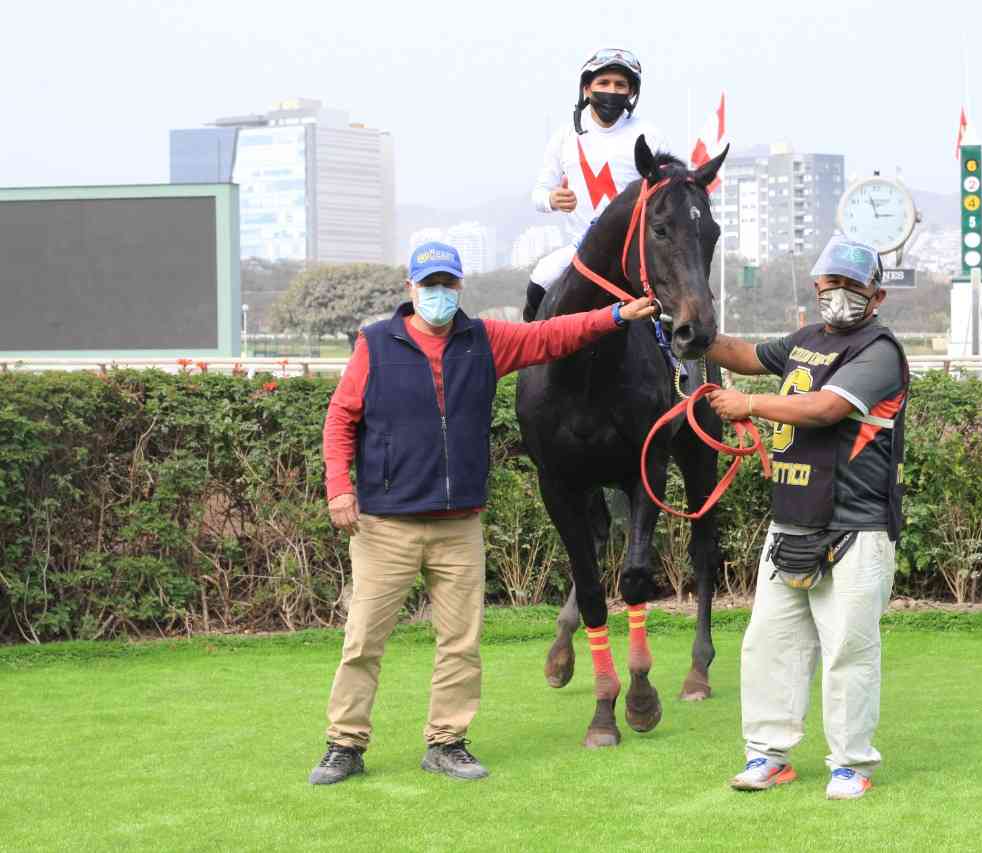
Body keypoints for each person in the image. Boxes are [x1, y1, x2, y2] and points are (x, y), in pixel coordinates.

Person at [309, 240, 656, 785]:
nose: (439, 294)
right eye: (429, 285)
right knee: (363, 643)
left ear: (460, 288)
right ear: (410, 289)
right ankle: (344, 744)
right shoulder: (375, 344)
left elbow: (552, 335)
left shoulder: (484, 340)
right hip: (386, 524)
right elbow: (340, 419)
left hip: (457, 524)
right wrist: (338, 488)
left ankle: (447, 742)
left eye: (447, 284)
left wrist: (616, 314)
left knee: (461, 643)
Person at [703, 236, 909, 801]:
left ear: (876, 294)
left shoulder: (880, 350)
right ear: (816, 286)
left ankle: (851, 764)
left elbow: (826, 409)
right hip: (791, 518)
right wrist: (693, 332)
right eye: (830, 284)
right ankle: (768, 756)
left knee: (849, 648)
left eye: (852, 287)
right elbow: (748, 357)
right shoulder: (806, 340)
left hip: (857, 525)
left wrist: (749, 405)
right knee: (770, 643)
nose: (839, 296)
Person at [523, 47, 667, 322]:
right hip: (581, 248)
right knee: (540, 277)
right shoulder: (564, 137)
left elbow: (669, 194)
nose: (611, 90)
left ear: (631, 93)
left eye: (620, 85)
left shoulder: (650, 135)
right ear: (587, 89)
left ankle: (685, 364)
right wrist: (552, 199)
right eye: (603, 83)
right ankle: (533, 351)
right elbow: (539, 193)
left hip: (635, 252)